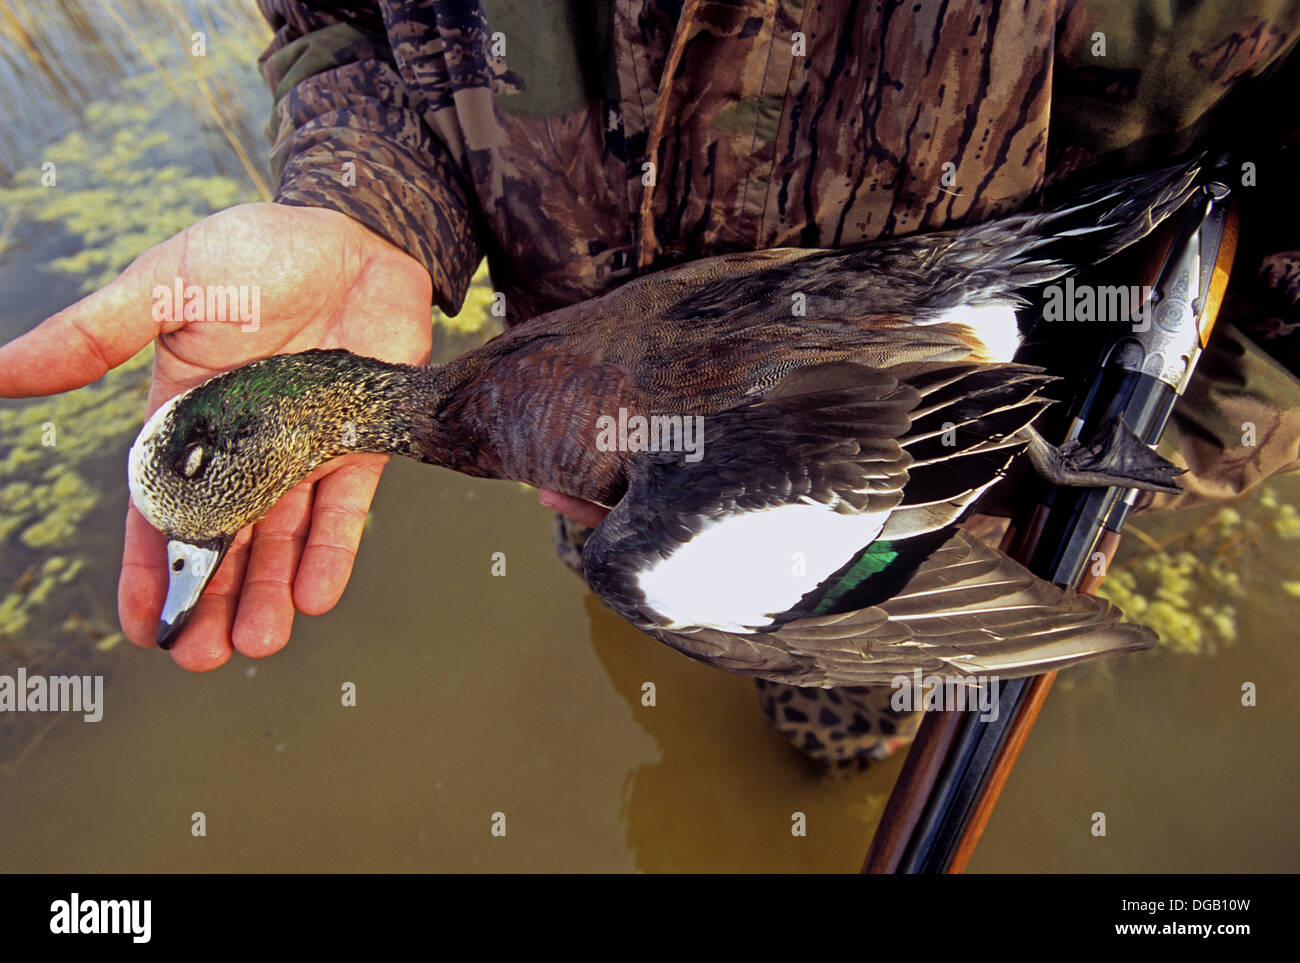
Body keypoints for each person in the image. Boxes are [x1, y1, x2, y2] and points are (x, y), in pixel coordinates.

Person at [2, 1, 1298, 759]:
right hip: (879, 334)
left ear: (297, 419)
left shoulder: (530, 413)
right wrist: (369, 198)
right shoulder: (506, 388)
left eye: (202, 499)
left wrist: (1141, 436)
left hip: (1056, 353)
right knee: (685, 572)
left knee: (698, 593)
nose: (191, 567)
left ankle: (838, 696)